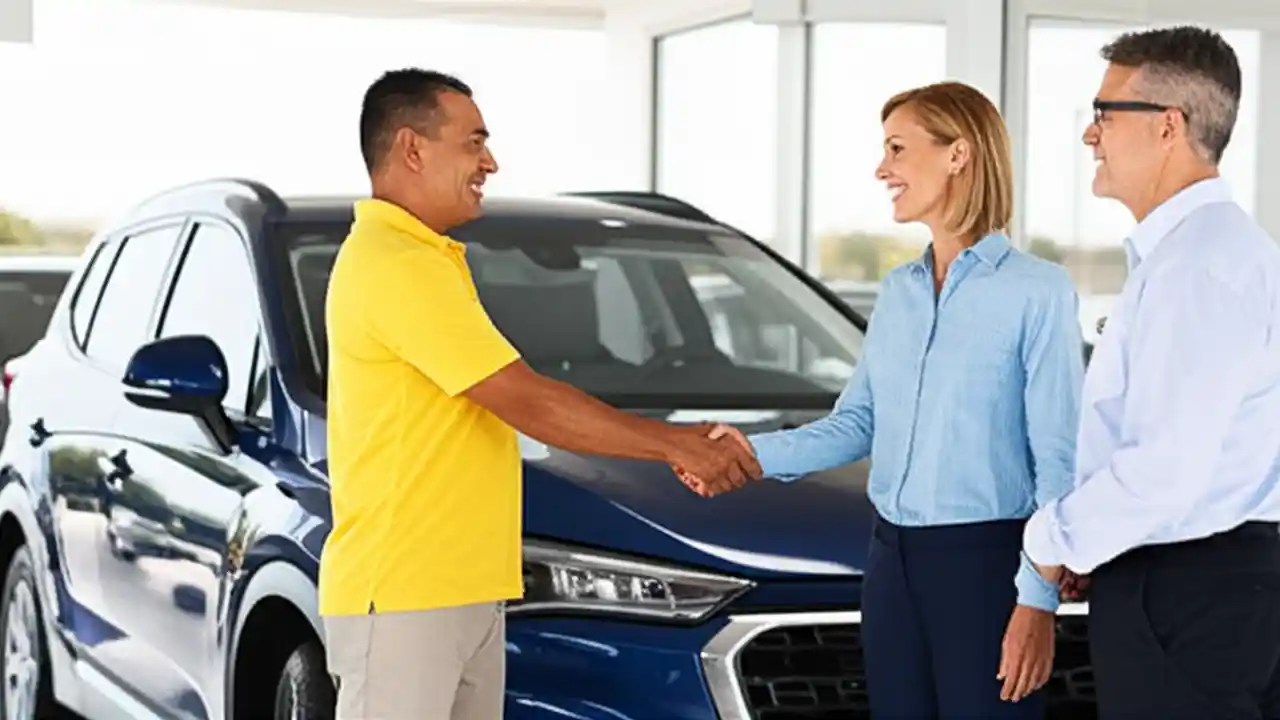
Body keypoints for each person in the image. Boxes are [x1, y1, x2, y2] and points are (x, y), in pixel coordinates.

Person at [318, 68, 761, 720]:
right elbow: (524, 398)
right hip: (406, 597)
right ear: (413, 148)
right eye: (474, 142)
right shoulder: (396, 265)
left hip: (459, 592)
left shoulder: (427, 260)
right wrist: (674, 445)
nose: (490, 162)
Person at [691, 80, 1085, 718]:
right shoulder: (900, 291)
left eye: (897, 148)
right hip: (890, 563)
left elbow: (1058, 458)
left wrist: (1037, 602)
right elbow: (859, 422)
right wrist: (747, 454)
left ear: (958, 154)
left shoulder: (1038, 291)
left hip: (986, 565)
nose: (883, 168)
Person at [1020, 25, 1280, 719]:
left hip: (1184, 595)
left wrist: (1050, 542)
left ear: (1169, 126)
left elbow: (1164, 470)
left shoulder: (1195, 268)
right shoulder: (1221, 252)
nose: (1090, 135)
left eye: (1104, 114)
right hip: (1213, 587)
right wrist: (1097, 539)